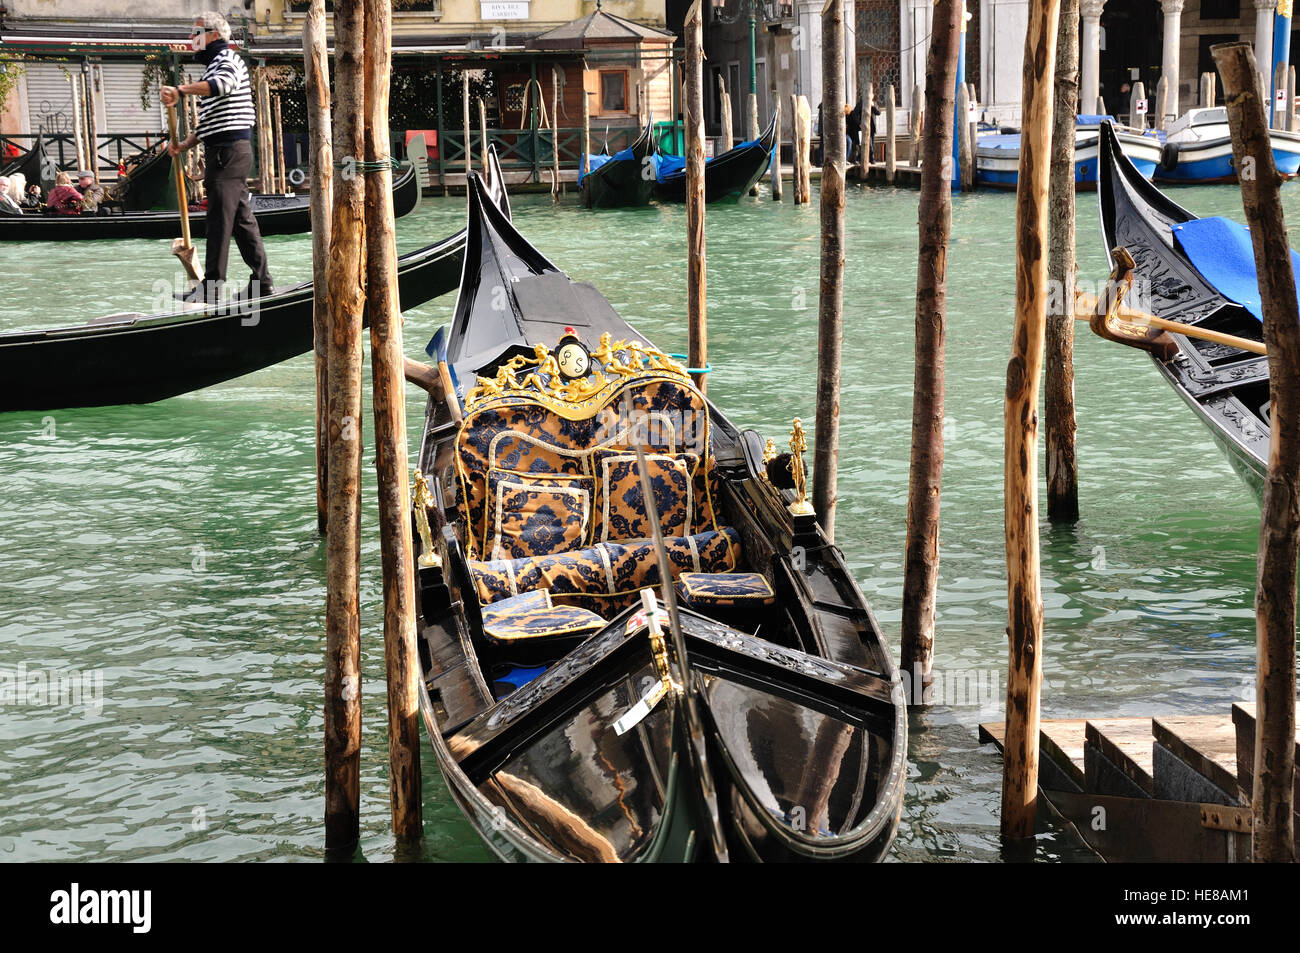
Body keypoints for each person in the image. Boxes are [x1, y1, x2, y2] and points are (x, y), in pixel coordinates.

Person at [163, 11, 273, 304]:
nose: (191, 38)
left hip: (228, 153)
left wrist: (179, 90)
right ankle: (261, 282)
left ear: (213, 34)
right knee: (241, 221)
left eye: (195, 32)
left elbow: (222, 85)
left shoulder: (226, 59)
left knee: (219, 221)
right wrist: (184, 145)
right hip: (228, 151)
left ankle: (211, 288)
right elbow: (212, 119)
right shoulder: (215, 64)